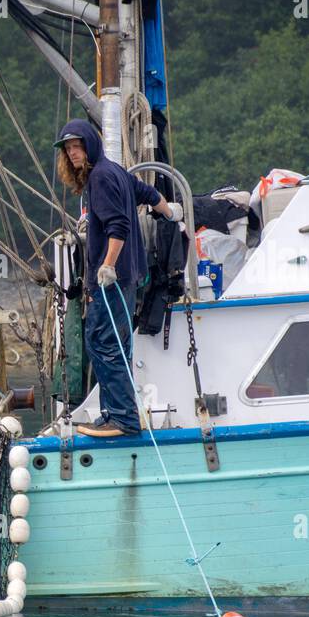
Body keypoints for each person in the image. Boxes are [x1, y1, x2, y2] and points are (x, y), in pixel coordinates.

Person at [54, 119, 183, 438]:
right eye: (68, 148)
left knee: (101, 343)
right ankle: (117, 412)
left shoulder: (100, 178)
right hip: (129, 277)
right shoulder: (115, 172)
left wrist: (107, 267)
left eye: (77, 146)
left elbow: (119, 227)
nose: (72, 153)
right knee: (117, 345)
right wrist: (171, 215)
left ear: (90, 144)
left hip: (113, 279)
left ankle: (123, 418)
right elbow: (149, 193)